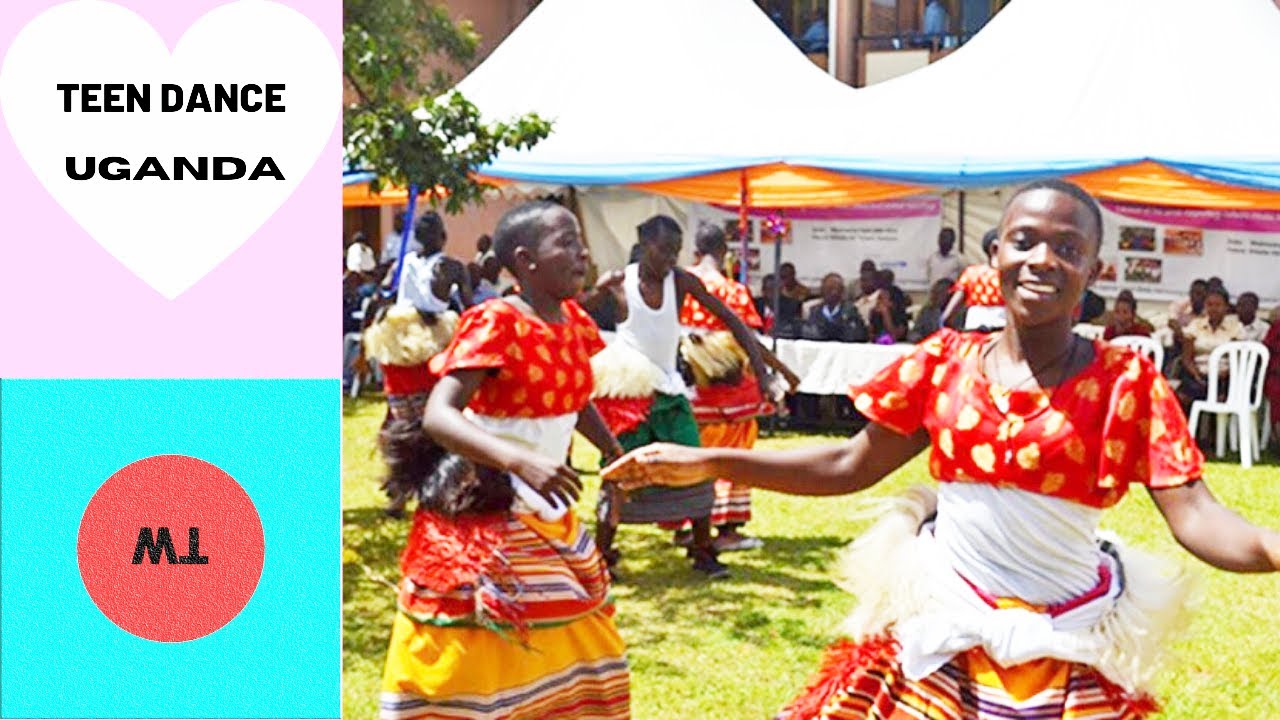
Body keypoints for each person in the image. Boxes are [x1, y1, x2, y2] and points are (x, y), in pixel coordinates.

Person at [604, 179, 1280, 720]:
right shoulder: (945, 363)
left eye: (1067, 248)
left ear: (1093, 268)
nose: (1042, 260)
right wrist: (709, 460)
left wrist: (1273, 547)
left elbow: (1196, 514)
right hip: (944, 622)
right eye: (1024, 241)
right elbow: (848, 464)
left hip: (1064, 638)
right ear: (996, 256)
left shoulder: (1123, 382)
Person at [379, 201, 630, 720]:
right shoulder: (496, 320)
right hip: (489, 505)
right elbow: (439, 415)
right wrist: (520, 462)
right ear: (525, 260)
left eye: (580, 242)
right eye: (566, 242)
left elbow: (573, 397)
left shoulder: (573, 321)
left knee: (575, 631)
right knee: (482, 638)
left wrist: (611, 450)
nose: (582, 253)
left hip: (548, 506)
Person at [586, 214, 772, 580]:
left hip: (670, 391)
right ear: (644, 244)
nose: (671, 259)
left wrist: (762, 371)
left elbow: (732, 320)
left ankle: (703, 550)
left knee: (696, 465)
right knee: (619, 471)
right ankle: (601, 557)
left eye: (676, 251)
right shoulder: (617, 283)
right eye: (664, 250)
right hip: (629, 394)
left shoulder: (682, 282)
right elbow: (571, 315)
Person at [676, 223, 800, 553]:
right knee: (734, 458)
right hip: (731, 391)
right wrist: (783, 372)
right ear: (725, 253)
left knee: (692, 453)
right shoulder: (732, 292)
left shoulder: (679, 284)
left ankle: (688, 525)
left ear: (695, 252)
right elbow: (750, 341)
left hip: (690, 387)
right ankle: (726, 529)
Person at [364, 211, 474, 516]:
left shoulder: (403, 262)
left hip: (401, 348)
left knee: (404, 423)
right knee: (432, 424)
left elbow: (382, 295)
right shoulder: (450, 266)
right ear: (443, 237)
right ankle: (424, 491)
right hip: (426, 350)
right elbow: (470, 307)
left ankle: (402, 493)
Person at [1175, 286, 1243, 413]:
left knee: (1220, 394)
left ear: (1226, 307)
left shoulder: (1235, 327)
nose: (1213, 309)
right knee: (1183, 395)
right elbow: (1186, 358)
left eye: (1218, 305)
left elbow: (1238, 359)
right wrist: (1196, 373)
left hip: (1224, 377)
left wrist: (1224, 373)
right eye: (1209, 304)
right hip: (1198, 374)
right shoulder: (1195, 325)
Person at [942, 228, 1006, 331]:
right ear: (994, 248)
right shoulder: (1009, 275)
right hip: (1002, 333)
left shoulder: (971, 274)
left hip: (973, 331)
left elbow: (948, 314)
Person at [803, 272, 869, 343]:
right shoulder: (815, 310)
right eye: (827, 289)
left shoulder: (850, 311)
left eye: (834, 289)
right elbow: (809, 334)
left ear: (842, 291)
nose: (831, 293)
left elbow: (858, 335)